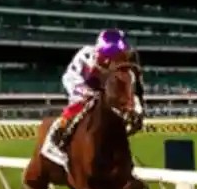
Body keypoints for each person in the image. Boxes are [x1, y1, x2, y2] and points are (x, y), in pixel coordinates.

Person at [40, 28, 131, 165]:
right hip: (76, 82)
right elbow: (73, 75)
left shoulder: (115, 64)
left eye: (116, 53)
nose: (111, 57)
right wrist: (84, 90)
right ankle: (52, 141)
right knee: (79, 105)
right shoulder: (87, 54)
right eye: (109, 52)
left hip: (97, 89)